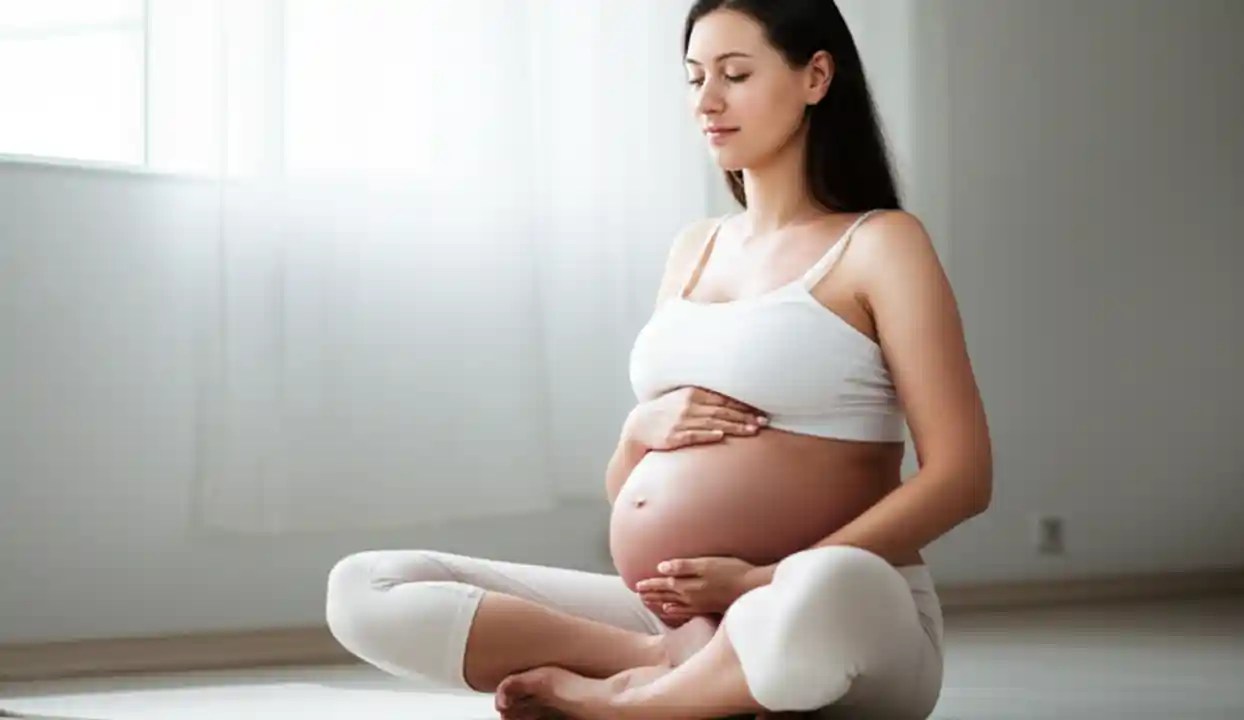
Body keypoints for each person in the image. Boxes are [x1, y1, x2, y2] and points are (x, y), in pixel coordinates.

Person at [325, 1, 992, 718]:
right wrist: (639, 432)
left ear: (816, 77)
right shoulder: (693, 250)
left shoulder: (880, 244)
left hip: (829, 613)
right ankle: (669, 672)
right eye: (694, 77)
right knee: (366, 587)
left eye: (735, 74)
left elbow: (962, 478)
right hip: (675, 619)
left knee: (824, 591)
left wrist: (760, 582)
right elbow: (631, 488)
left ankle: (622, 706)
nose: (707, 101)